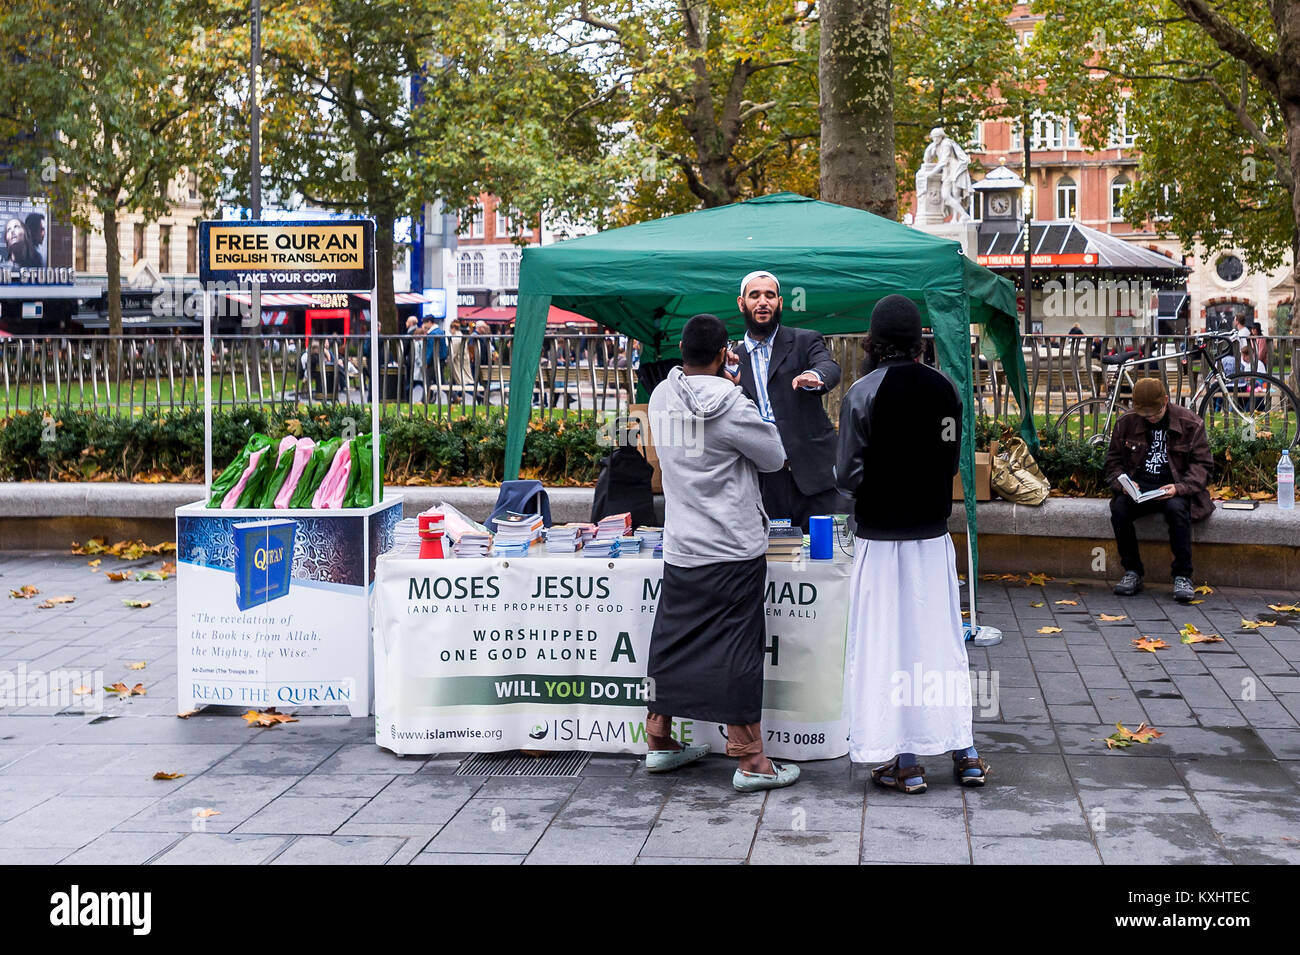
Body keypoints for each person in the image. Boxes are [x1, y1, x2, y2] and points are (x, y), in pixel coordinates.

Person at [836, 294, 988, 794]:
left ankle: (902, 760)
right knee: (939, 643)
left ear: (873, 343)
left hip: (880, 540)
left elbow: (847, 473)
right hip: (931, 536)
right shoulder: (946, 389)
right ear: (919, 339)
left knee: (884, 645)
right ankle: (964, 752)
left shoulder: (862, 392)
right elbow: (948, 460)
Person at [644, 313, 798, 793]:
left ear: (683, 353)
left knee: (671, 642)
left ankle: (659, 739)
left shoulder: (661, 395)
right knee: (737, 652)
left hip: (683, 543)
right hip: (731, 546)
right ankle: (750, 758)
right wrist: (737, 387)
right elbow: (774, 457)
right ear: (721, 355)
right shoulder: (732, 403)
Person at [731, 270, 846, 530]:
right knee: (778, 561)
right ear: (742, 303)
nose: (763, 302)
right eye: (755, 295)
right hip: (765, 482)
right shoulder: (733, 359)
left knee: (824, 560)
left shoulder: (805, 340)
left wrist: (814, 375)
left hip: (815, 479)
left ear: (780, 303)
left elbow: (829, 366)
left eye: (770, 295)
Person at [1105, 377, 1213, 603]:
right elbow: (1113, 463)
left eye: (1155, 412)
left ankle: (1183, 575)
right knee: (1120, 509)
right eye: (1144, 415)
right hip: (1139, 487)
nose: (1150, 418)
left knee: (1176, 511)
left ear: (1166, 400)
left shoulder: (1190, 422)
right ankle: (1132, 571)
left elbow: (1203, 466)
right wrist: (1124, 484)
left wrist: (1179, 488)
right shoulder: (1126, 422)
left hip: (1174, 487)